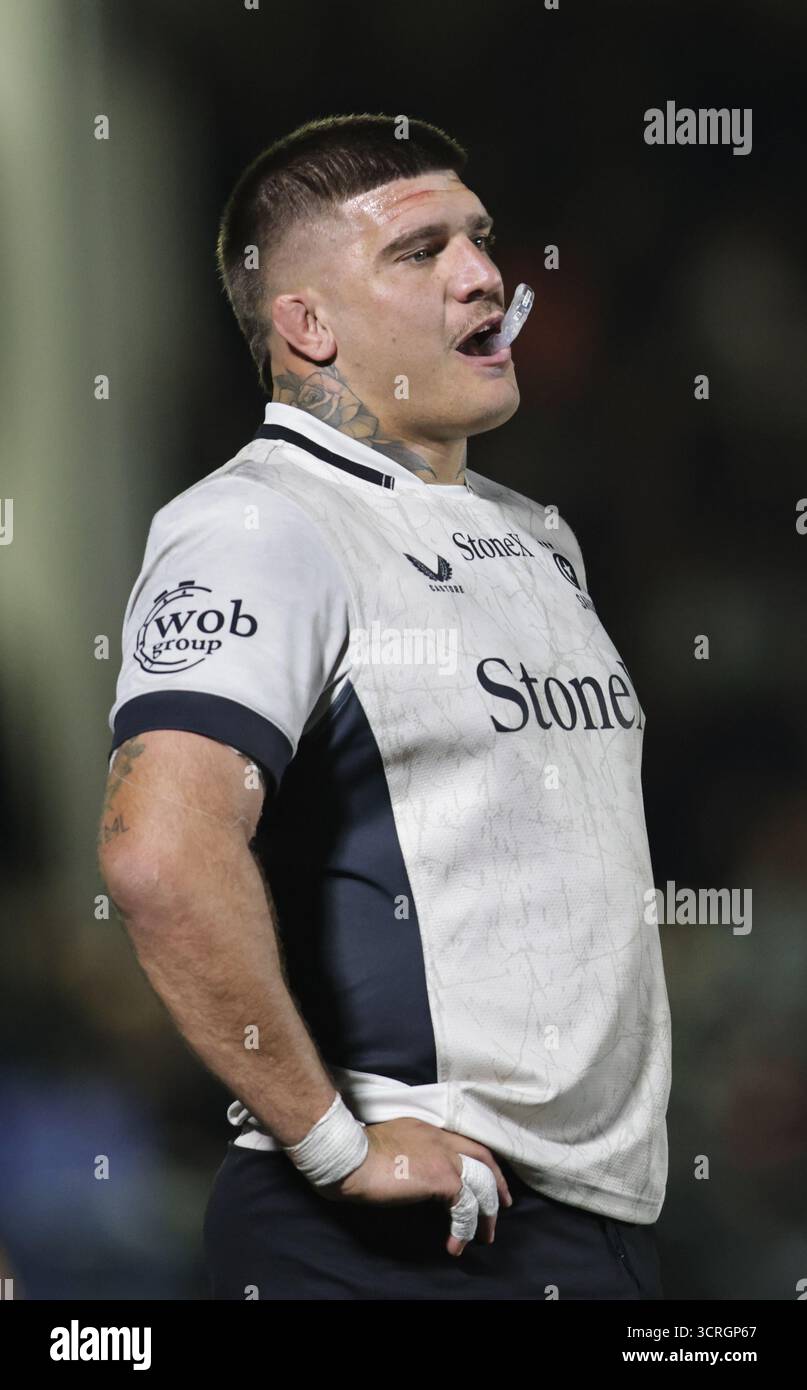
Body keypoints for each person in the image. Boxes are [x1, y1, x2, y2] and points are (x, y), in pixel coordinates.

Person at [97, 113, 671, 1300]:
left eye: (482, 239)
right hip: (400, 1238)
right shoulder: (262, 523)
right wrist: (334, 1145)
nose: (483, 274)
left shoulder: (536, 535)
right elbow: (158, 849)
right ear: (306, 324)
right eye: (421, 252)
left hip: (588, 1231)